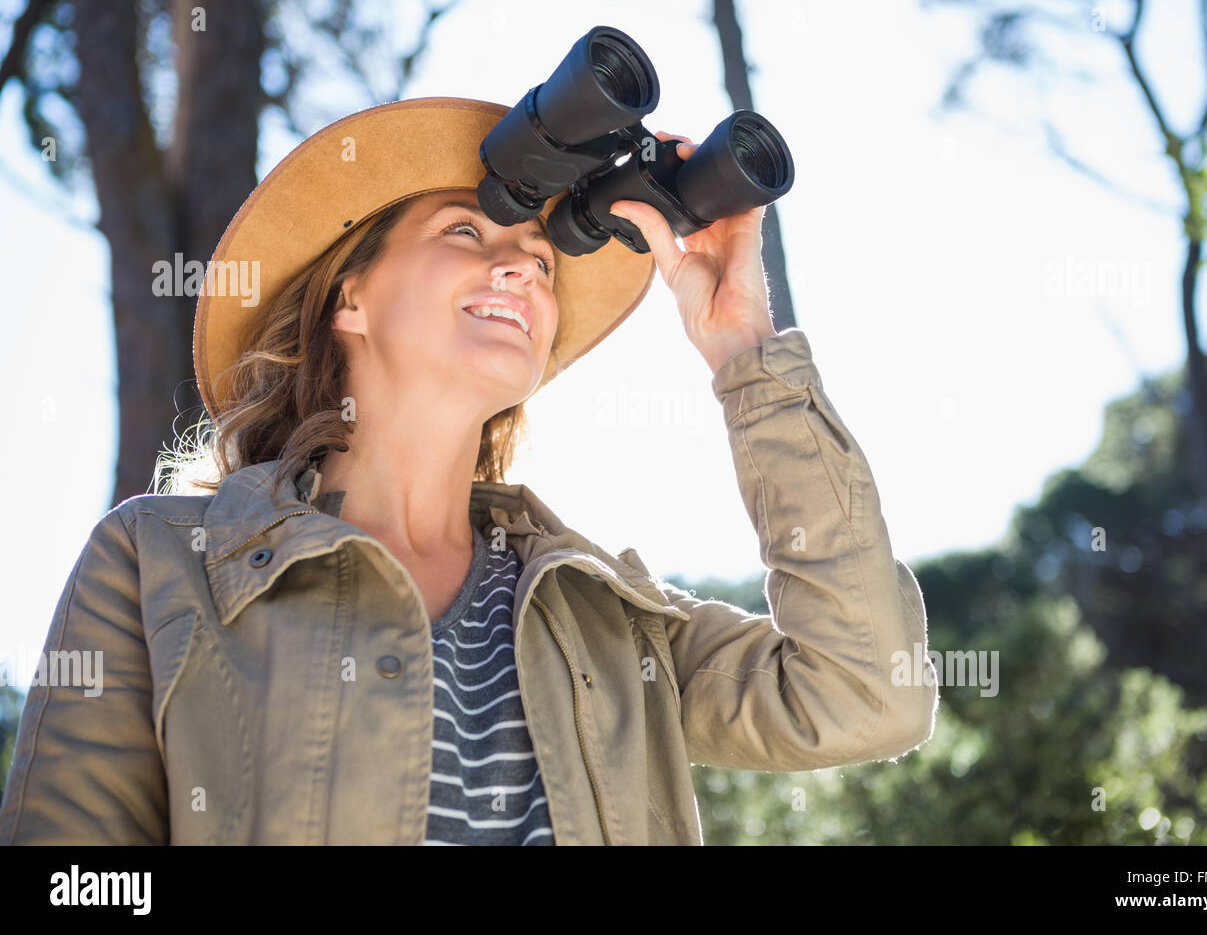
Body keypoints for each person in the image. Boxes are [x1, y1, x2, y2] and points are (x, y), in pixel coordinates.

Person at [0, 97, 937, 846]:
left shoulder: (607, 619)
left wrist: (747, 352)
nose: (521, 271)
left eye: (539, 259)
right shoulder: (157, 564)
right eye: (465, 234)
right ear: (349, 299)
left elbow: (869, 692)